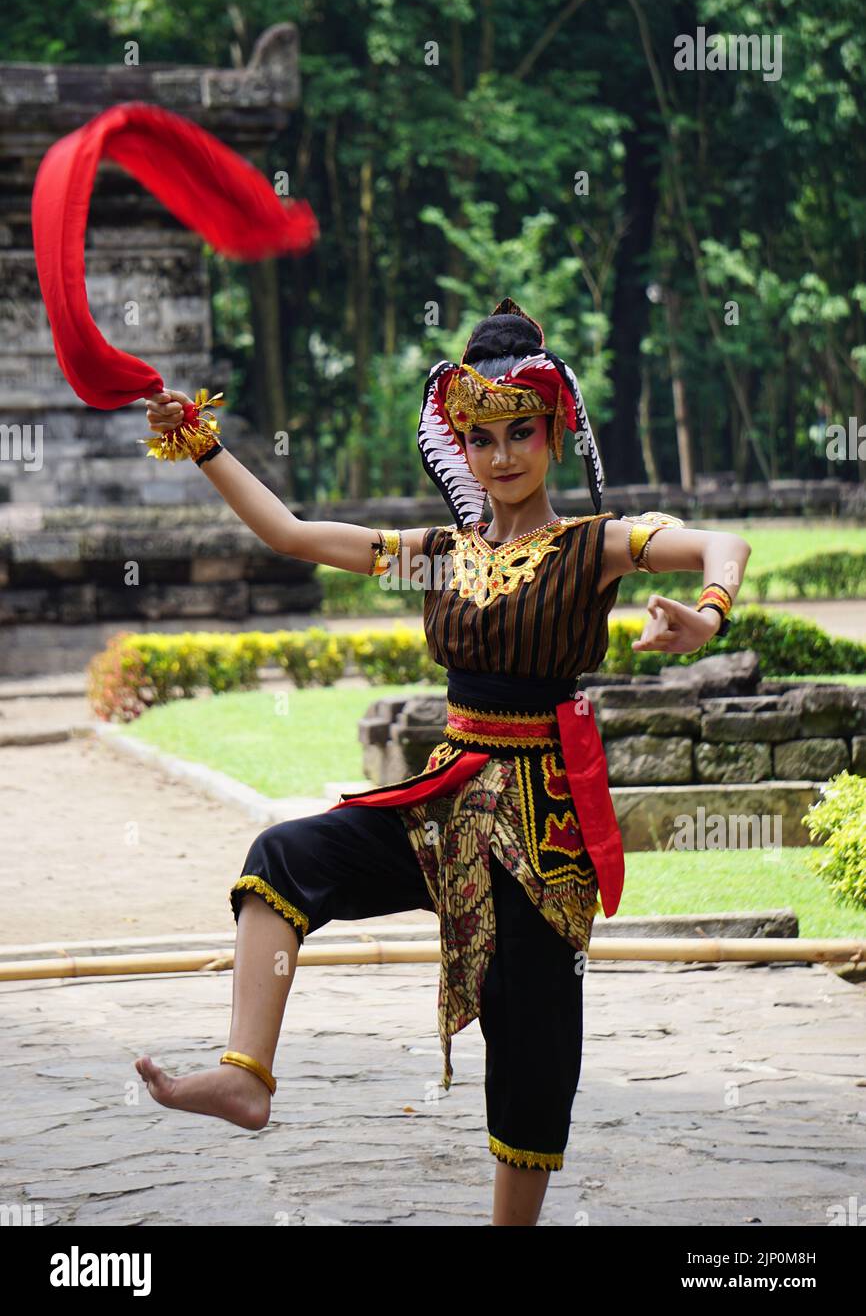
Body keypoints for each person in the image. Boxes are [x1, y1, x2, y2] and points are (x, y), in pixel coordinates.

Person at [134, 296, 751, 1226]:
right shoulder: (436, 557)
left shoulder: (594, 547)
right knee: (284, 858)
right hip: (448, 797)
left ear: (552, 436)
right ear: (459, 446)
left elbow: (724, 540)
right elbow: (295, 535)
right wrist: (202, 441)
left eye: (521, 434)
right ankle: (243, 1076)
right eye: (482, 438)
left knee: (530, 1035)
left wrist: (705, 613)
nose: (502, 456)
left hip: (542, 829)